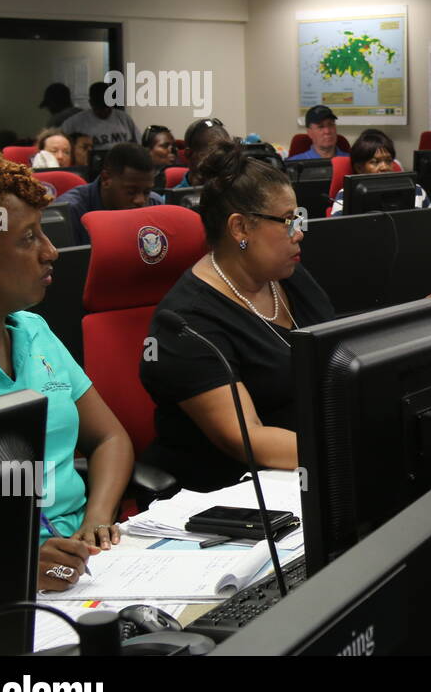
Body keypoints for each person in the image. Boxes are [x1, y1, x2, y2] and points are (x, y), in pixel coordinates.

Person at [0, 152, 133, 590]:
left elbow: (111, 438)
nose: (51, 252)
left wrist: (96, 521)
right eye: (28, 238)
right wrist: (19, 561)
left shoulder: (34, 330)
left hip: (87, 561)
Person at [140, 141, 335, 491]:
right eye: (287, 221)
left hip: (308, 468)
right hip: (234, 493)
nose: (299, 231)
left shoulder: (288, 276)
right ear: (240, 229)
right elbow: (246, 438)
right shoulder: (186, 322)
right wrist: (350, 445)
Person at [55, 143, 164, 246]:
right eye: (131, 191)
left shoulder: (155, 204)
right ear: (106, 179)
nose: (140, 200)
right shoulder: (70, 213)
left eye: (146, 192)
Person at [331, 129, 431, 214]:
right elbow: (337, 233)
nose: (384, 167)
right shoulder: (346, 195)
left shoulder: (417, 191)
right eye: (375, 162)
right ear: (359, 168)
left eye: (388, 161)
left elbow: (430, 228)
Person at [60, 80, 138, 152]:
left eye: (107, 106)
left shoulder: (124, 119)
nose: (105, 111)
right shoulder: (74, 123)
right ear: (91, 103)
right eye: (100, 107)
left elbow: (139, 144)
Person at [180, 118, 231, 186]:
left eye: (227, 152)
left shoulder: (237, 189)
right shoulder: (172, 196)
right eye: (214, 154)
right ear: (189, 154)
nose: (223, 160)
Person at [142, 125, 177, 192]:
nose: (173, 150)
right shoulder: (137, 179)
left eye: (174, 145)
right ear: (147, 150)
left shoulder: (181, 176)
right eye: (165, 146)